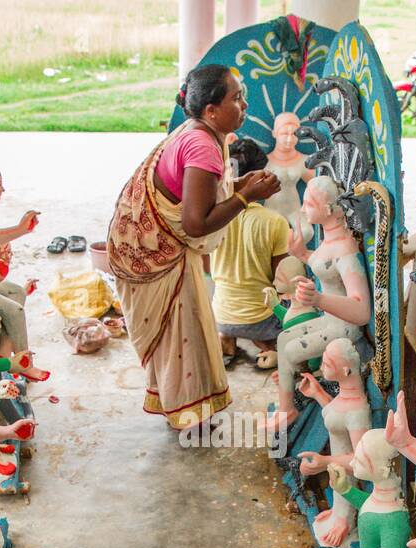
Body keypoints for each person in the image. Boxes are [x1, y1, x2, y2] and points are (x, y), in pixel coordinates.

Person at [107, 65, 280, 431]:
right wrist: (247, 197)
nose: (244, 105)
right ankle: (186, 417)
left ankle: (180, 407)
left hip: (153, 244)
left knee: (186, 330)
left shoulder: (199, 131)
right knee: (181, 334)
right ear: (211, 110)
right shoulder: (203, 144)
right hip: (154, 251)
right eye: (236, 98)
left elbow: (200, 197)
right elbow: (196, 223)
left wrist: (240, 187)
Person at [211, 137, 293, 369]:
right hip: (260, 319)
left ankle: (227, 338)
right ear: (259, 178)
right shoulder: (275, 222)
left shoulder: (214, 217)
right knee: (296, 302)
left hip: (221, 315)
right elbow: (281, 281)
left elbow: (208, 268)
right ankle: (264, 342)